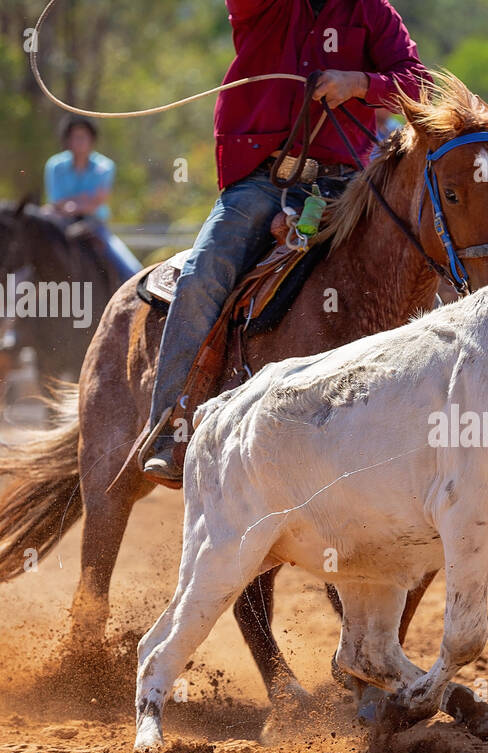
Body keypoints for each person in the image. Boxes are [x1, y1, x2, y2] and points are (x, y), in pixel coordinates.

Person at [140, 0, 428, 482]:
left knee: (415, 269)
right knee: (204, 272)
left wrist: (360, 83)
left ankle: (421, 428)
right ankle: (171, 427)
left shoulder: (371, 11)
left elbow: (420, 83)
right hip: (263, 178)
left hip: (346, 185)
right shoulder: (267, 7)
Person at [44, 115, 143, 278]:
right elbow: (57, 201)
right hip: (61, 225)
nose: (79, 142)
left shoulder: (105, 166)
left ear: (92, 140)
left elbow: (97, 203)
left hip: (94, 226)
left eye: (84, 137)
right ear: (67, 140)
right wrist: (83, 200)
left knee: (133, 271)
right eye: (75, 137)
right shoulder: (55, 165)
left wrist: (71, 204)